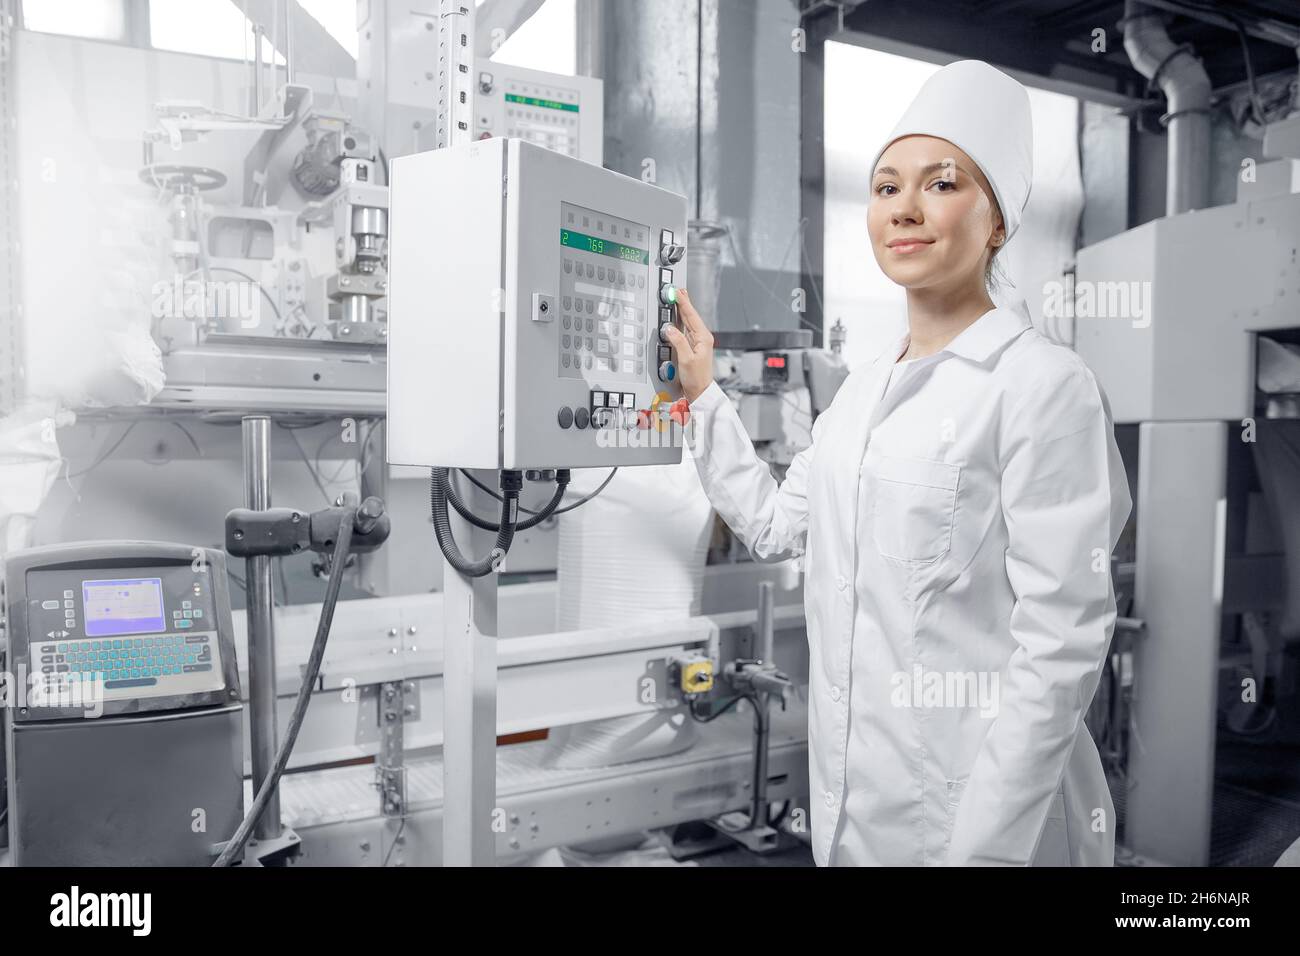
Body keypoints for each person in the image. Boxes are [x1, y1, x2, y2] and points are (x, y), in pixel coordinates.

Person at [663, 60, 1133, 866]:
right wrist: (705, 396)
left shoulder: (1042, 387)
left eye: (942, 184)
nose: (904, 210)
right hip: (855, 821)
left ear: (997, 224)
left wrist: (980, 854)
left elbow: (1059, 649)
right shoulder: (863, 394)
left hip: (983, 832)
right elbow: (780, 528)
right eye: (884, 188)